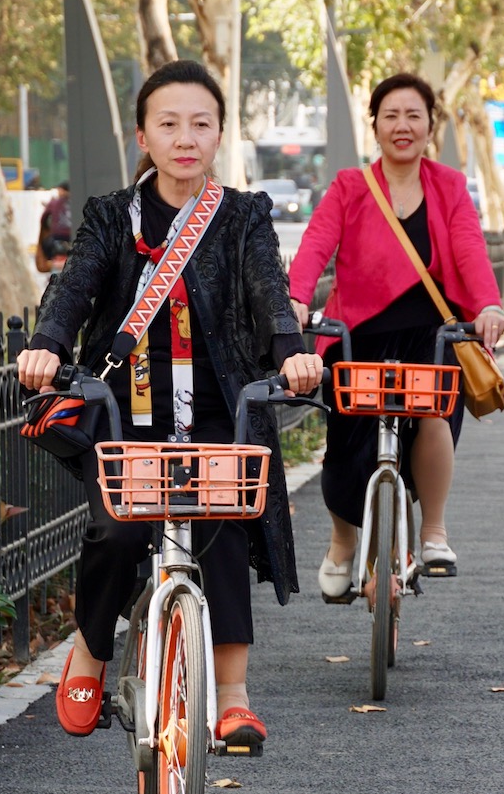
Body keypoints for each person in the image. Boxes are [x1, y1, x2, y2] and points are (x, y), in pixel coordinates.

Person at [17, 60, 322, 749]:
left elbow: (269, 292)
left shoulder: (243, 216)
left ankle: (235, 696)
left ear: (219, 135)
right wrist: (47, 345)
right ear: (143, 137)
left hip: (217, 405)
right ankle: (92, 651)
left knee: (223, 524)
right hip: (127, 411)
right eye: (169, 124)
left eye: (201, 124)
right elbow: (74, 291)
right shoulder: (109, 217)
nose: (186, 137)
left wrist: (290, 351)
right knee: (119, 530)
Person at [288, 73, 504, 594]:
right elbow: (317, 243)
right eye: (391, 115)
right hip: (356, 335)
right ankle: (343, 541)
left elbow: (469, 249)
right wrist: (296, 299)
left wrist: (488, 304)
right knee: (343, 448)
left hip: (430, 333)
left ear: (430, 125)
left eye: (414, 115)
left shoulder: (448, 185)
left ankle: (433, 530)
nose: (402, 126)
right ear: (376, 126)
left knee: (434, 409)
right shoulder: (349, 186)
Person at [38, 182, 73, 270]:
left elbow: (43, 219)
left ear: (61, 190)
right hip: (73, 238)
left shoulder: (54, 202)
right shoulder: (77, 201)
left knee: (45, 245)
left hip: (57, 239)